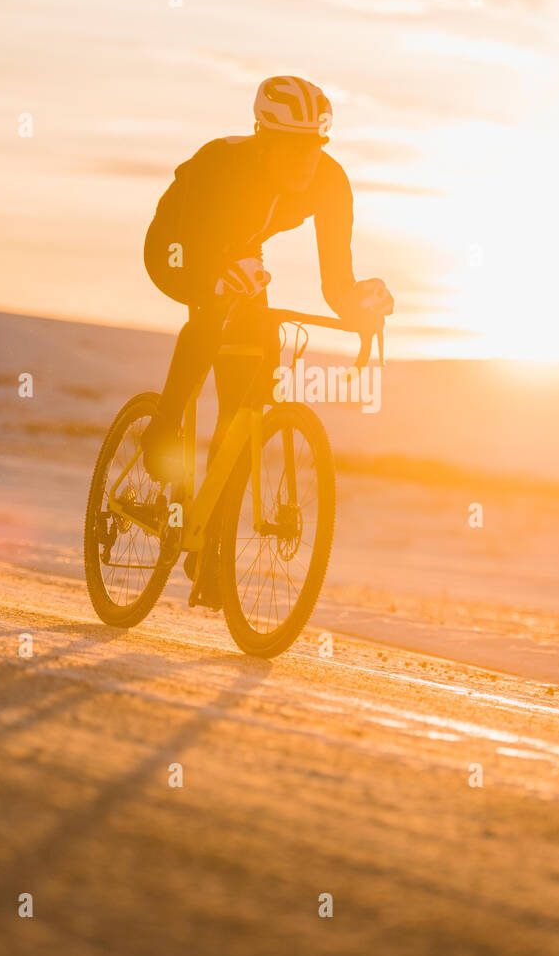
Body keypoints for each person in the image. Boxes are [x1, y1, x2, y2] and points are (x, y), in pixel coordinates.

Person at [142, 74, 393, 607]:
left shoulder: (330, 183)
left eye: (315, 147)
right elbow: (203, 251)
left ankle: (208, 547)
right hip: (179, 245)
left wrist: (361, 307)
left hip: (241, 255)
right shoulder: (222, 165)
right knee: (214, 313)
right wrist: (218, 276)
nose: (305, 161)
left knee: (246, 406)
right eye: (292, 147)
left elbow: (335, 283)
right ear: (262, 137)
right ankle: (163, 429)